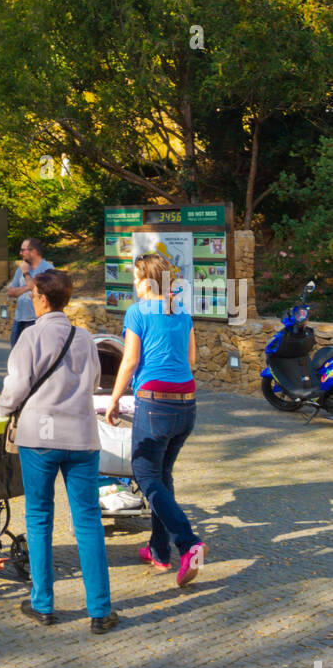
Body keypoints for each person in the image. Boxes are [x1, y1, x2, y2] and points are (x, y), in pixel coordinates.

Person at [0, 269, 118, 634]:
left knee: (39, 517)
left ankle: (43, 603)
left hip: (40, 437)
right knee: (88, 521)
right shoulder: (84, 338)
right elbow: (95, 381)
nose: (32, 300)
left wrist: (0, 411)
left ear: (43, 299)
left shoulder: (31, 337)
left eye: (33, 295)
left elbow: (16, 386)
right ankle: (100, 609)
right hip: (80, 437)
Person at [105, 251, 207, 588]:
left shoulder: (137, 313)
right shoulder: (182, 313)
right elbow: (191, 361)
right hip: (186, 405)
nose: (134, 283)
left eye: (136, 277)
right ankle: (159, 551)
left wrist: (116, 397)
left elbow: (130, 359)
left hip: (155, 405)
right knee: (163, 475)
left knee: (145, 475)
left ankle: (187, 542)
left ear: (147, 280)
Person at [7, 237, 54, 348]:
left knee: (33, 353)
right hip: (19, 318)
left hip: (37, 319)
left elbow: (44, 291)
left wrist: (26, 274)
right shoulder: (21, 268)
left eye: (23, 250)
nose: (20, 253)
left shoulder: (48, 269)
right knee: (15, 351)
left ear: (33, 251)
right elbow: (10, 292)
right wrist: (28, 287)